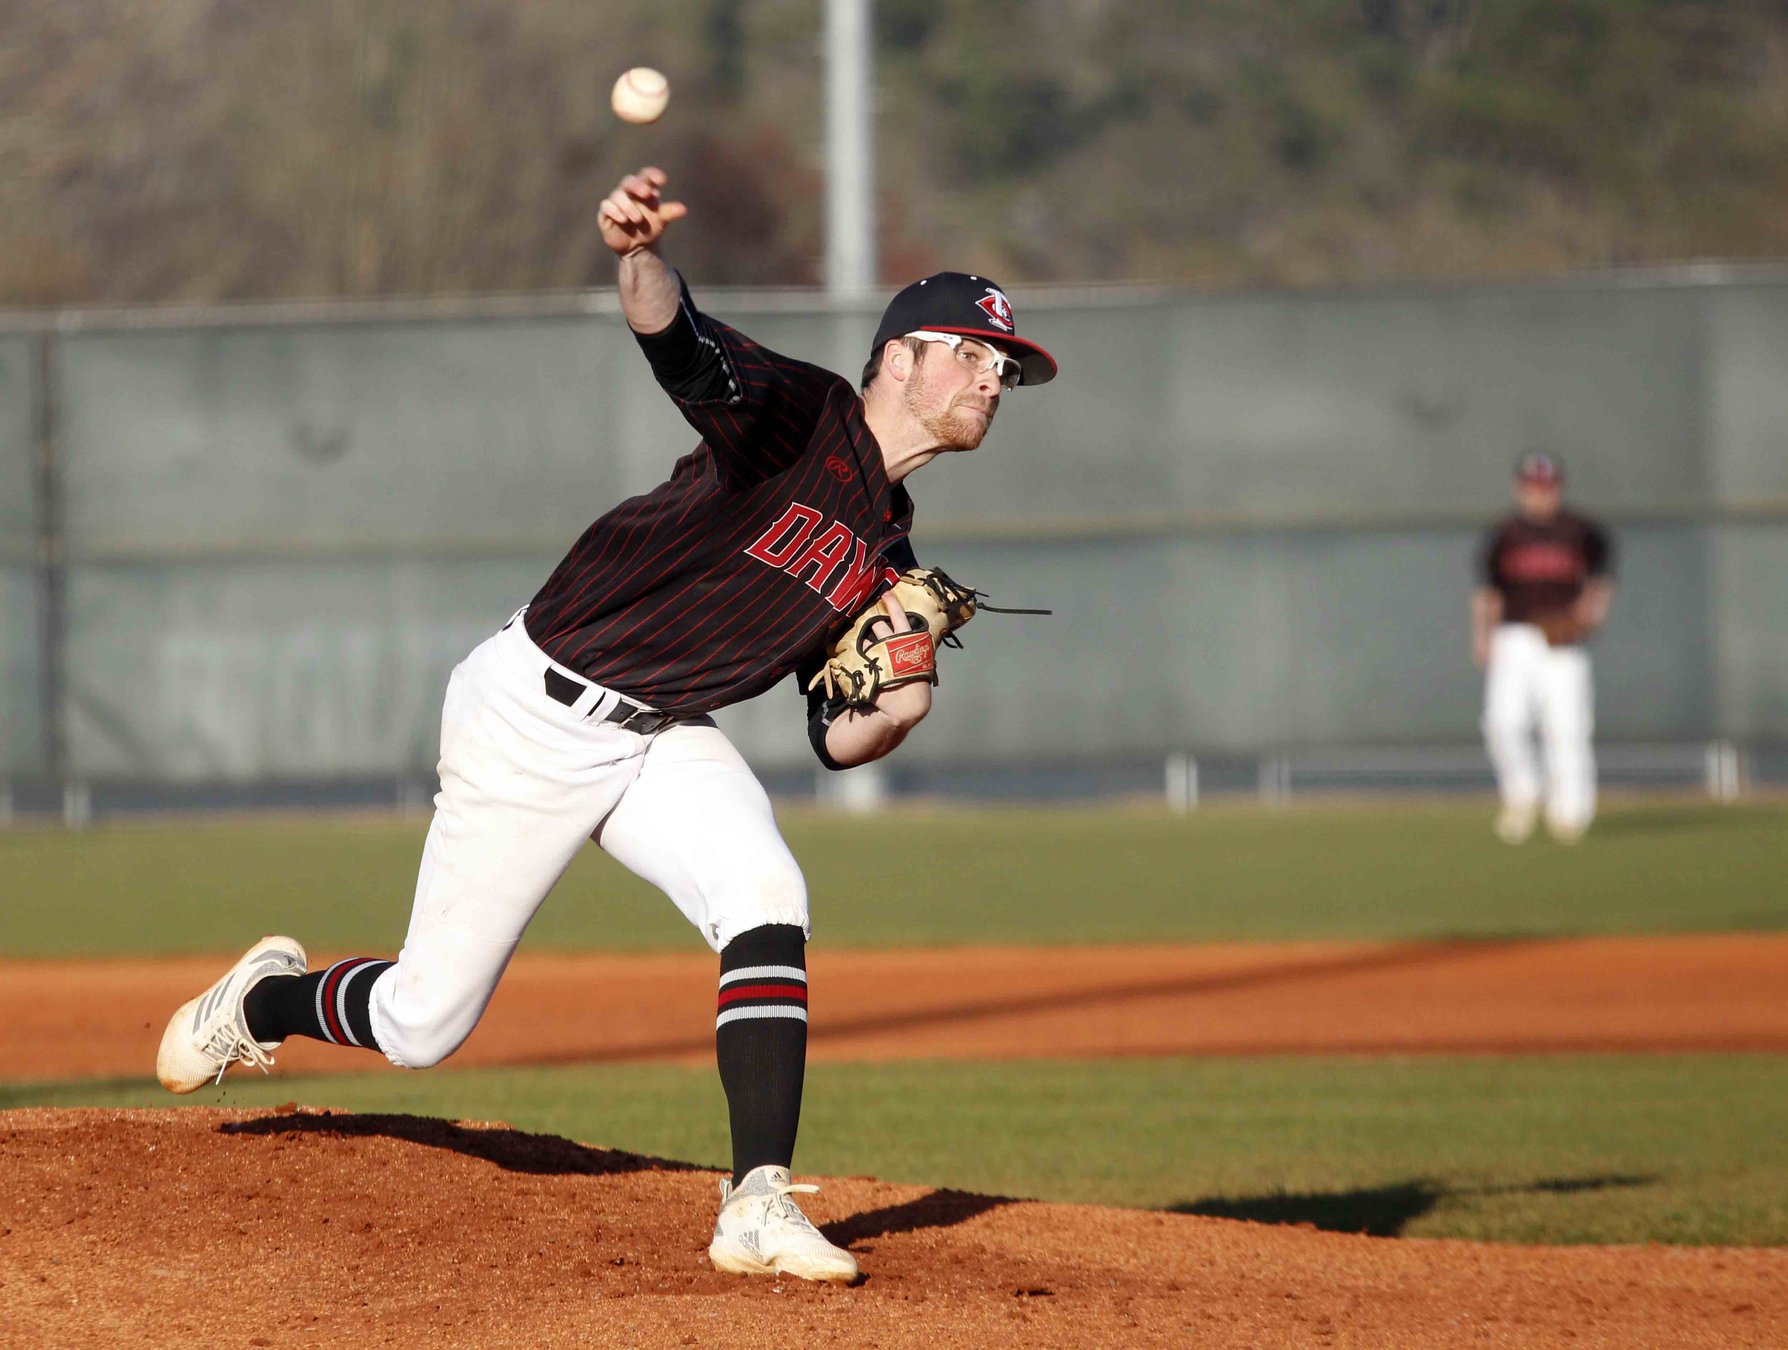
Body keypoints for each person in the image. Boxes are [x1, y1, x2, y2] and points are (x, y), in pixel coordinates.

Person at [154, 166, 1057, 1284]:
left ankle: (756, 1205)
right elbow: (676, 340)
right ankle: (266, 997)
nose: (994, 379)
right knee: (424, 1025)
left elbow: (838, 740)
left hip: (661, 735)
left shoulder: (890, 548)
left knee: (767, 896)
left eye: (1005, 366)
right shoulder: (801, 414)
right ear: (901, 357)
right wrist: (636, 253)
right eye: (972, 353)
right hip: (533, 712)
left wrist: (903, 698)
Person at [1472, 452, 1615, 844]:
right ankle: (1523, 792)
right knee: (1502, 723)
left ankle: (1570, 812)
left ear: (1558, 488)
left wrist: (1589, 617)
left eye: (1546, 487)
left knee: (1568, 728)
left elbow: (1601, 582)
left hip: (1562, 642)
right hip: (1514, 636)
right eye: (1533, 488)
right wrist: (1482, 635)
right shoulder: (1504, 534)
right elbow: (1487, 591)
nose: (1540, 495)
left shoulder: (1581, 530)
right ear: (1520, 489)